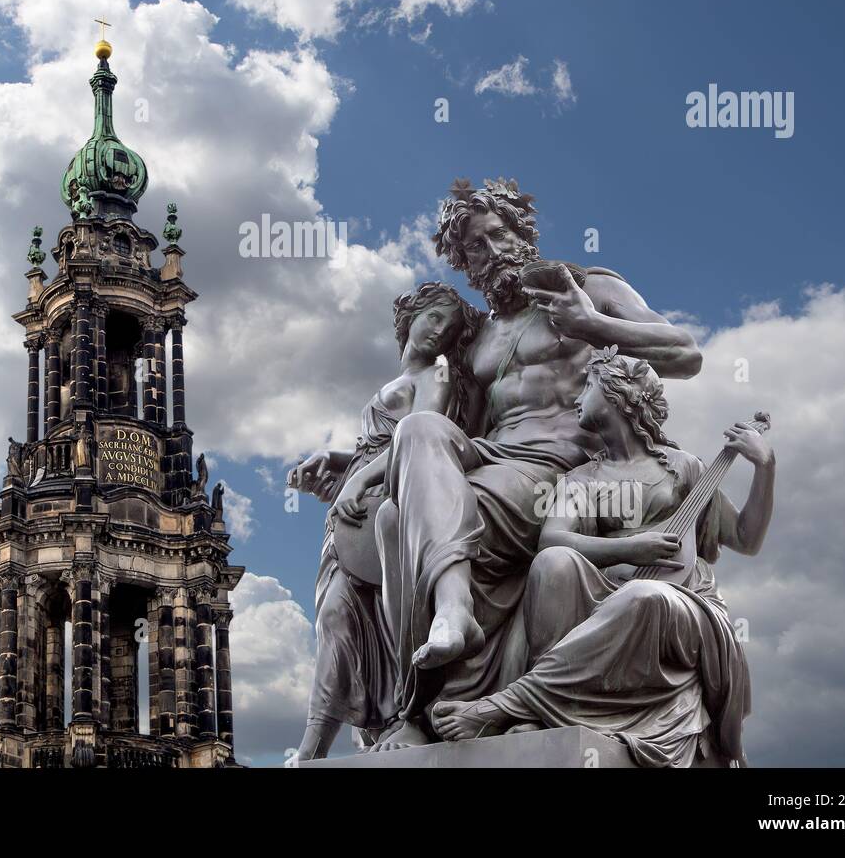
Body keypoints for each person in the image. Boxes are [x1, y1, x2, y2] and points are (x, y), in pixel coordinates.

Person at [371, 178, 703, 750]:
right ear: (464, 263)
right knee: (408, 460)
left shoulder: (588, 286)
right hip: (493, 457)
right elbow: (435, 409)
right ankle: (445, 635)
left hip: (562, 470)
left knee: (409, 522)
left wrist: (594, 325)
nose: (494, 249)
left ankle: (431, 698)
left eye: (502, 233)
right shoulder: (475, 337)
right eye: (476, 245)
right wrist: (359, 462)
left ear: (525, 233)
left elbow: (685, 354)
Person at [431, 347, 775, 767]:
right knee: (554, 564)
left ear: (618, 394)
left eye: (588, 385)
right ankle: (545, 708)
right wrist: (629, 548)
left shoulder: (683, 468)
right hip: (611, 591)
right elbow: (552, 539)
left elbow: (745, 537)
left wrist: (765, 467)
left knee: (646, 597)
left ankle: (507, 705)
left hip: (683, 607)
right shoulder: (582, 479)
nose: (577, 397)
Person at [287, 282, 484, 760]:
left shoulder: (438, 374)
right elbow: (370, 445)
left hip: (389, 501)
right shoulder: (399, 378)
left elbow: (415, 435)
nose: (439, 332)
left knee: (363, 616)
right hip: (354, 512)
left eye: (451, 328)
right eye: (434, 317)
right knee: (334, 617)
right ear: (410, 316)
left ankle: (391, 714)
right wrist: (331, 460)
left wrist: (356, 483)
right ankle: (317, 743)